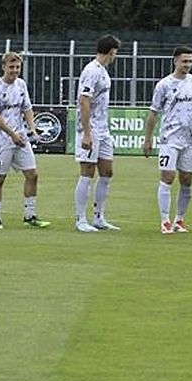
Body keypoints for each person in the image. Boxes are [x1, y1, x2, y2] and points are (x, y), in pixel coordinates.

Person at [142, 46, 192, 234]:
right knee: (168, 176)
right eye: (184, 61)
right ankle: (165, 220)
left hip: (190, 139)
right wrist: (148, 139)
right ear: (175, 61)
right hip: (169, 138)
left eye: (190, 61)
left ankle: (180, 219)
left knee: (187, 180)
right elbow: (153, 113)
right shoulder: (164, 85)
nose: (187, 65)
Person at [0, 52, 49, 230]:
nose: (14, 70)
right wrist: (12, 134)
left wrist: (32, 128)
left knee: (32, 174)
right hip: (2, 140)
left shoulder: (21, 85)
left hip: (21, 137)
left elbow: (27, 108)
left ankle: (30, 216)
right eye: (11, 67)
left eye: (17, 67)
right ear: (3, 67)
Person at [74, 34, 121, 233]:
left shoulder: (102, 71)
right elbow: (84, 101)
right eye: (115, 53)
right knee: (87, 172)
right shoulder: (91, 70)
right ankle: (81, 219)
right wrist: (86, 133)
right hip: (91, 129)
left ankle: (99, 217)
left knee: (107, 172)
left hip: (103, 129)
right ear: (111, 52)